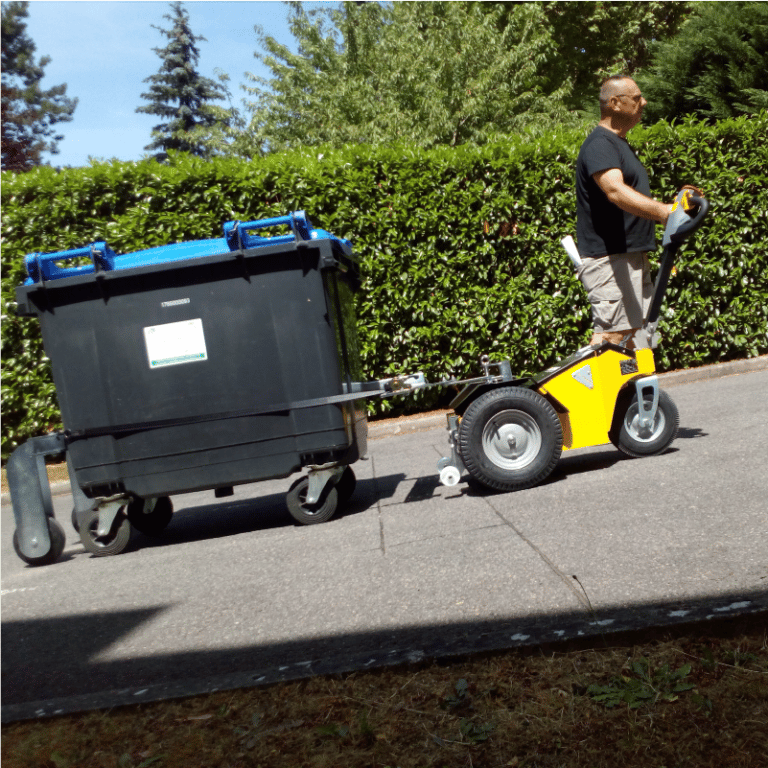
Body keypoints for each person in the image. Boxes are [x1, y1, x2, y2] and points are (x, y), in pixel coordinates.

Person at [575, 75, 693, 349]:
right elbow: (614, 190)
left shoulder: (618, 143)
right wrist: (663, 212)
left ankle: (635, 381)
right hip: (610, 259)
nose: (644, 102)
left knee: (636, 336)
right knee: (612, 337)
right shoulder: (600, 144)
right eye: (637, 98)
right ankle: (597, 379)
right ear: (615, 103)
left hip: (629, 256)